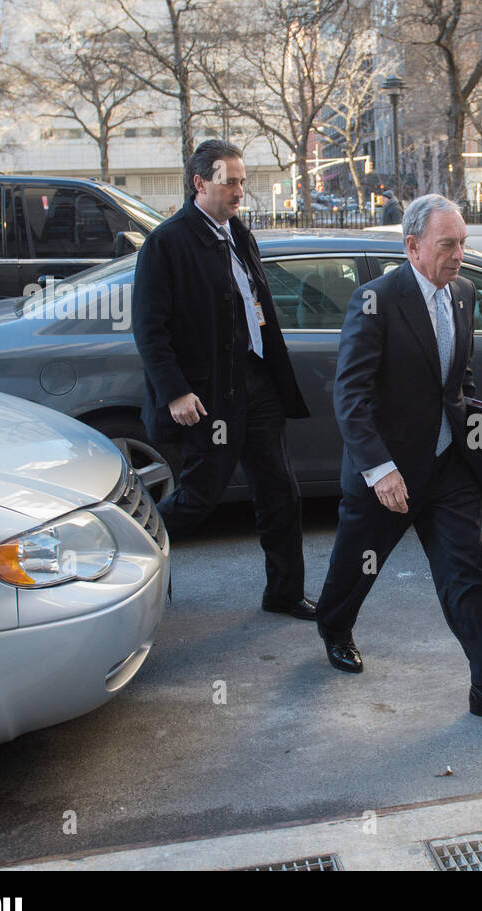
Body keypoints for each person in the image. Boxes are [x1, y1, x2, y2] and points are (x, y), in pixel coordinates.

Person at [313, 193, 482, 719]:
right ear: (413, 246)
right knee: (357, 568)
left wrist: (473, 424)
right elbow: (349, 395)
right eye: (447, 244)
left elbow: (458, 378)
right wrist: (379, 468)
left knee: (471, 575)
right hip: (388, 473)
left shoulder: (462, 293)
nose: (459, 254)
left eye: (463, 243)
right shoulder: (375, 300)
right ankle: (334, 625)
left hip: (448, 466)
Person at [132, 139, 317, 620]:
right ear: (200, 183)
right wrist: (174, 390)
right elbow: (150, 329)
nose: (239, 191)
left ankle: (284, 592)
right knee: (198, 498)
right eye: (229, 181)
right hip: (210, 397)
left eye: (242, 182)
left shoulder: (238, 233)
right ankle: (131, 568)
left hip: (257, 387)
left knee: (280, 493)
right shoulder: (168, 242)